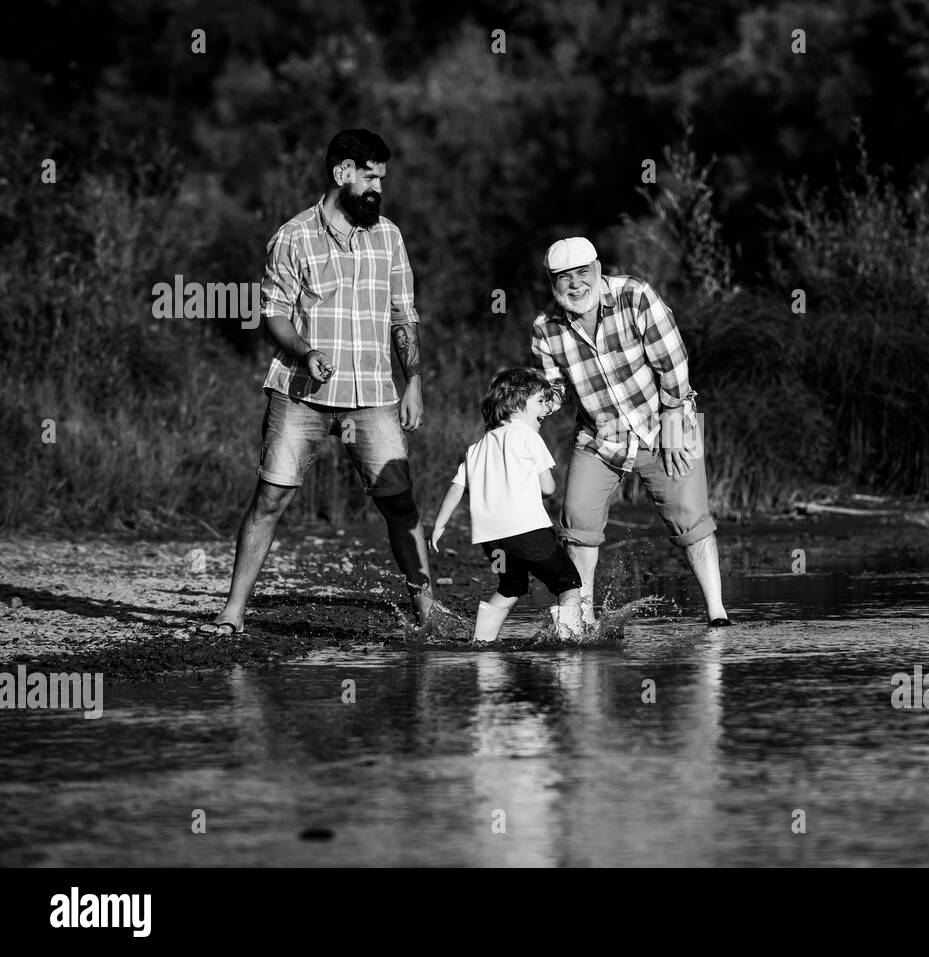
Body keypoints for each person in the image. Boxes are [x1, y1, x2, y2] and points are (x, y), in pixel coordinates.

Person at [200, 129, 435, 636]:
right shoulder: (293, 236)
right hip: (301, 394)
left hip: (374, 395)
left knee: (400, 502)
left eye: (382, 179)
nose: (378, 188)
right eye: (370, 177)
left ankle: (428, 611)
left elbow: (403, 314)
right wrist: (306, 351)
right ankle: (232, 612)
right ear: (341, 173)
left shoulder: (389, 236)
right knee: (271, 498)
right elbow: (274, 315)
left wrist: (413, 380)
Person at [530, 237, 730, 628]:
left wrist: (673, 418)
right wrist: (525, 414)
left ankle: (717, 612)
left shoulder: (635, 296)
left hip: (666, 420)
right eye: (564, 278)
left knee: (692, 521)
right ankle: (581, 617)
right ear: (552, 282)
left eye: (582, 273)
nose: (575, 285)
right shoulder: (545, 328)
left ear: (598, 268)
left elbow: (673, 361)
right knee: (576, 523)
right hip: (600, 435)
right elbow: (554, 390)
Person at [428, 368, 584, 643]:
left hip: (493, 541)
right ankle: (570, 644)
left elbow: (456, 488)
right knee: (568, 584)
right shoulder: (527, 436)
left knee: (510, 587)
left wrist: (439, 525)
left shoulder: (475, 448)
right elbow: (548, 488)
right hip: (530, 532)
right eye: (540, 401)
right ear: (515, 404)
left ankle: (482, 642)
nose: (547, 409)